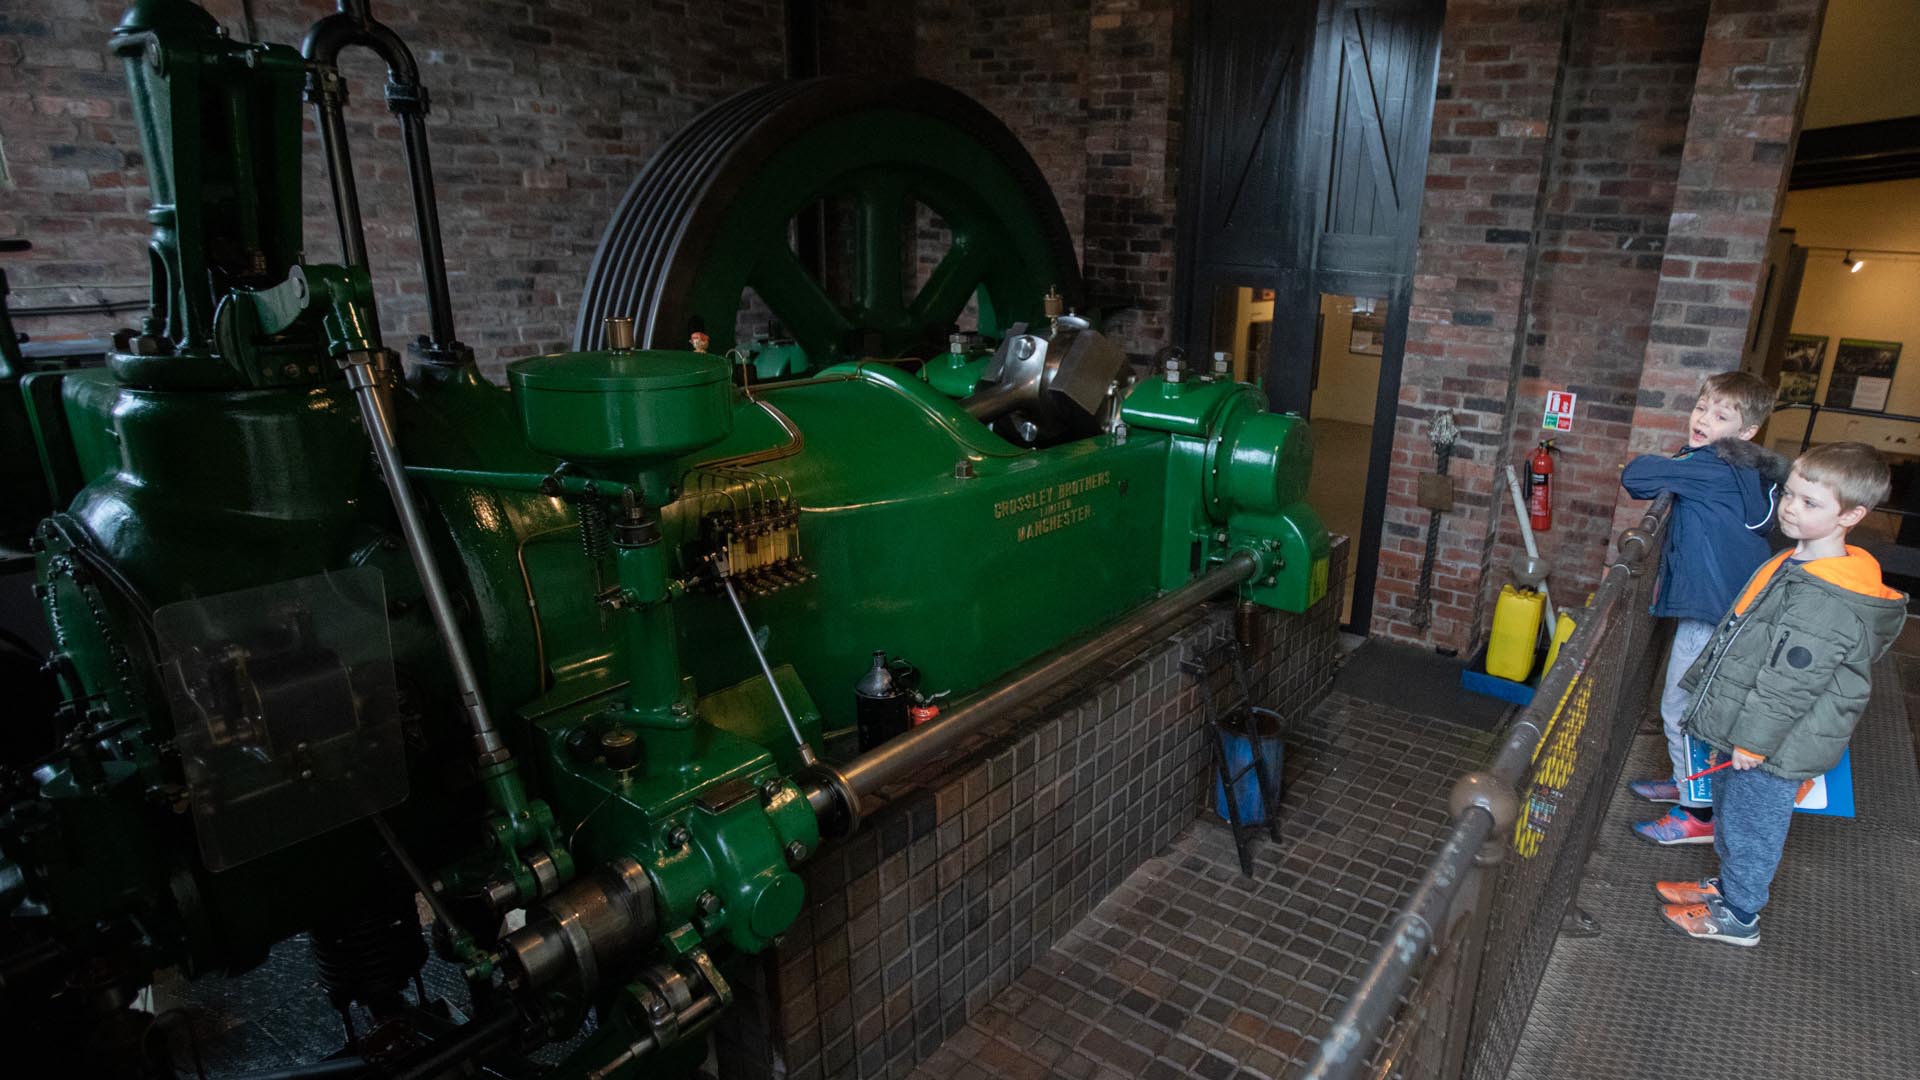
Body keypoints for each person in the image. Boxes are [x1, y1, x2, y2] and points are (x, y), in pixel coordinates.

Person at [1657, 442, 1905, 945]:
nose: (1791, 508)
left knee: (1753, 826)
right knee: (1733, 814)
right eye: (1790, 495)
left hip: (1773, 742)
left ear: (1851, 515)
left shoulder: (1824, 597)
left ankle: (1740, 915)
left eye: (1810, 503)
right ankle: (1727, 888)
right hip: (1754, 732)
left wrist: (1754, 740)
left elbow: (1789, 683)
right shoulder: (1797, 563)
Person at [1619, 371, 1788, 844]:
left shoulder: (1712, 465)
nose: (1703, 419)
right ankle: (1685, 780)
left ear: (1747, 431)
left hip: (1711, 610)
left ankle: (1696, 812)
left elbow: (1637, 477)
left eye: (1720, 415)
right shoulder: (1749, 469)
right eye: (1701, 408)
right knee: (1693, 703)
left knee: (1680, 708)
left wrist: (1683, 459)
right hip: (1729, 606)